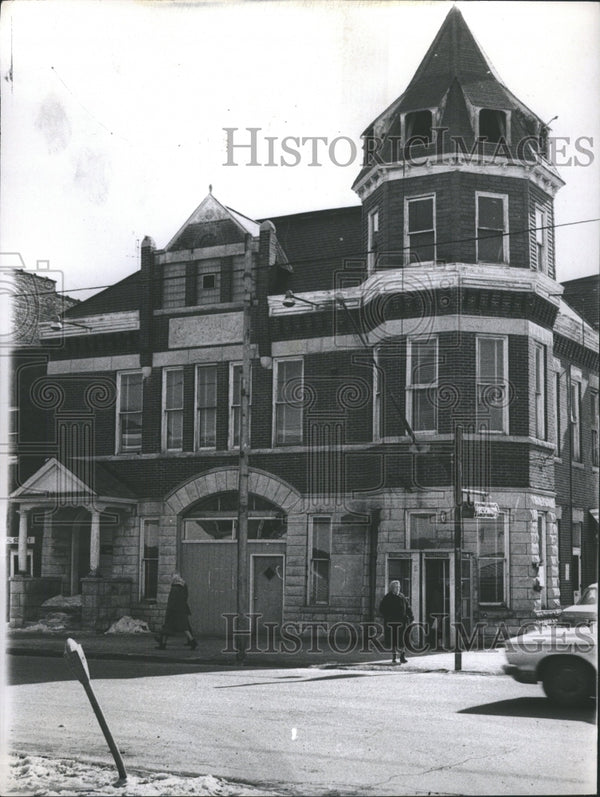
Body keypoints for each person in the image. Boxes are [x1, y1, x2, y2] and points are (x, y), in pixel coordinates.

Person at [156, 572, 197, 650]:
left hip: (173, 611)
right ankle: (192, 641)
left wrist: (169, 610)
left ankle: (163, 644)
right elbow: (185, 596)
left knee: (167, 627)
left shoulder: (174, 588)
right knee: (184, 627)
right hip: (182, 608)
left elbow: (171, 601)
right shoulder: (184, 586)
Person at [379, 580, 413, 664]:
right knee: (394, 639)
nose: (398, 588)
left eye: (399, 587)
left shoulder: (402, 596)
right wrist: (388, 616)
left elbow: (408, 607)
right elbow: (382, 608)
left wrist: (411, 617)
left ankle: (402, 656)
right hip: (392, 622)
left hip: (402, 621)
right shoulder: (388, 597)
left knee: (403, 639)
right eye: (396, 587)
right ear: (392, 588)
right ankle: (394, 656)